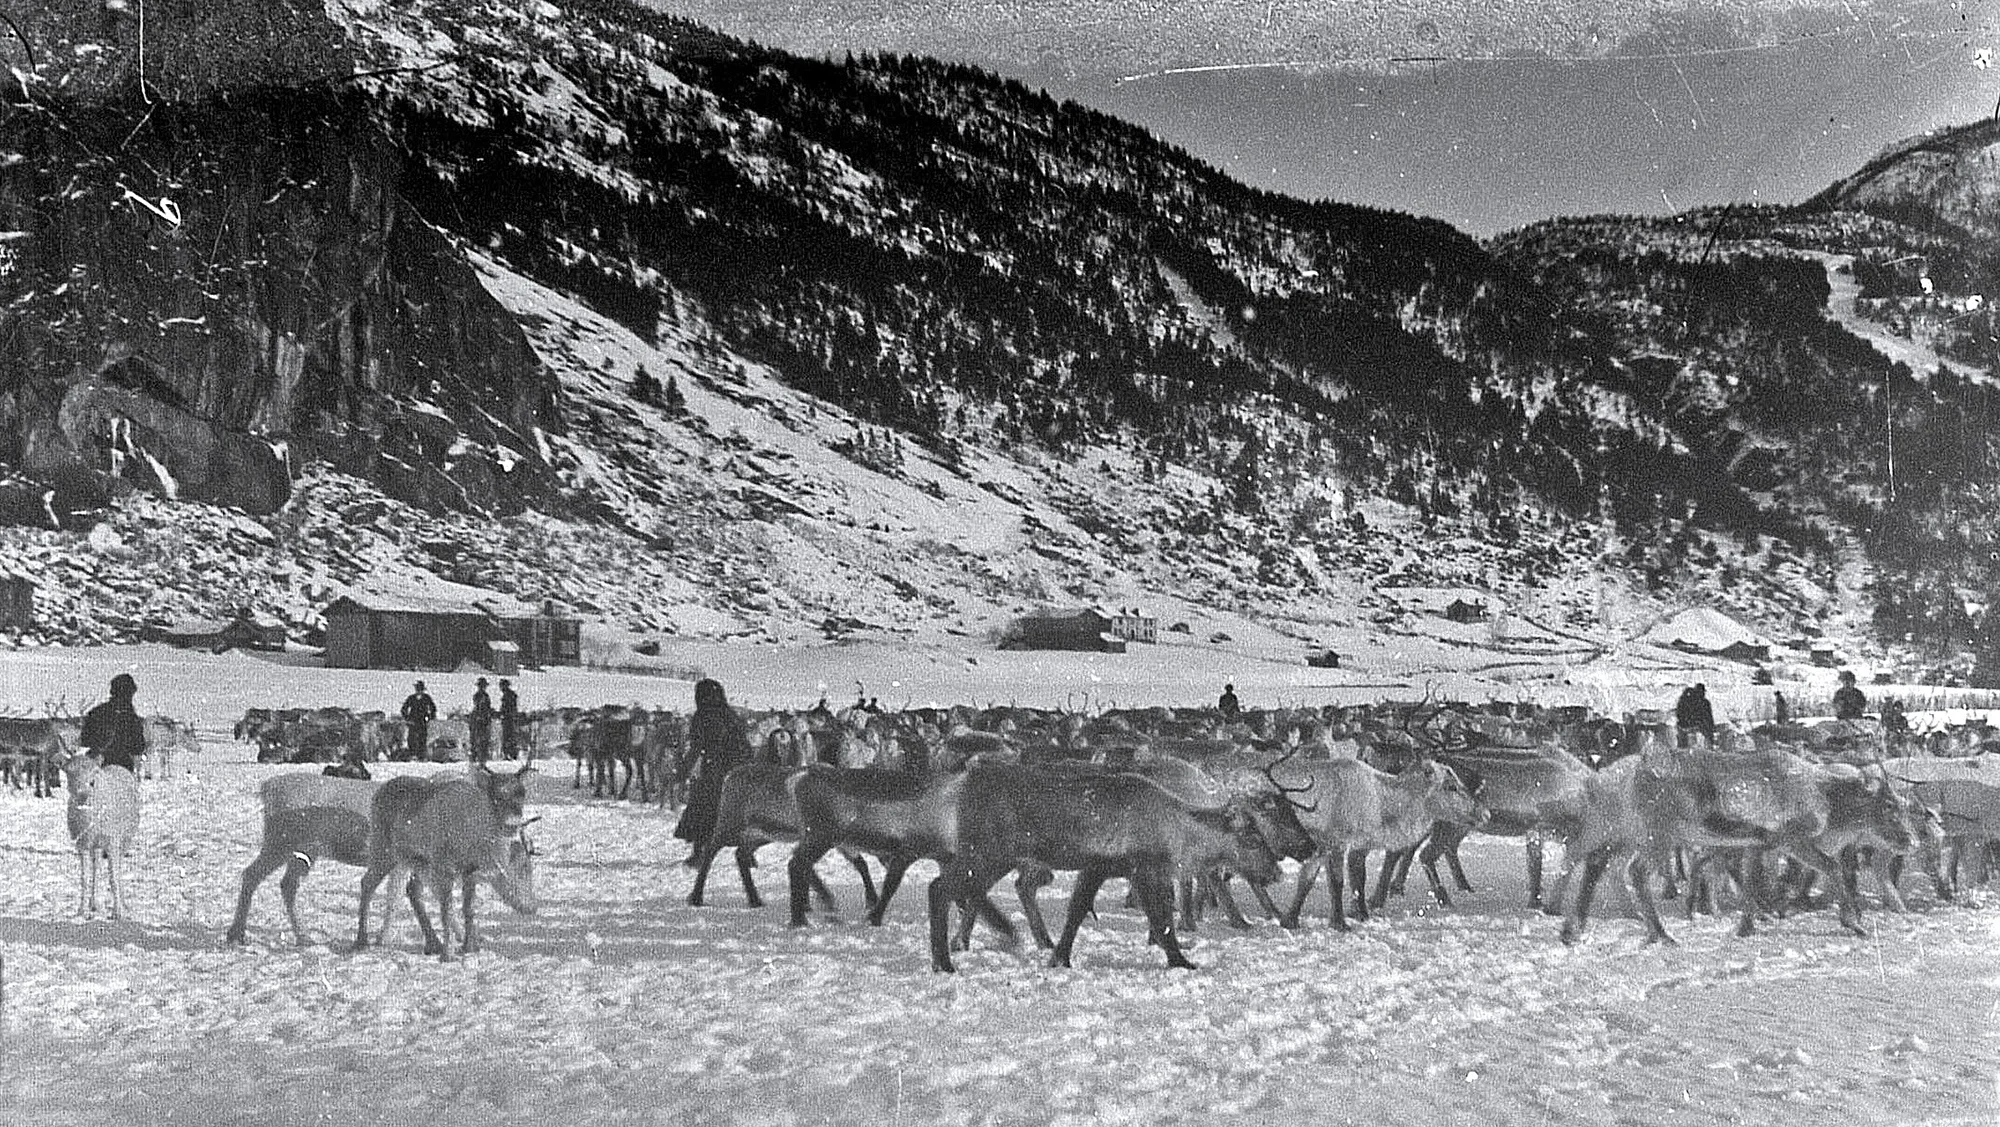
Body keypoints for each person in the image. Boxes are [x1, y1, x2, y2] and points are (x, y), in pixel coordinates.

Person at [673, 678, 754, 861]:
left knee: (703, 809)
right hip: (736, 769)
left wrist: (683, 771)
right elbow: (745, 746)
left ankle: (698, 853)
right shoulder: (730, 714)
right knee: (736, 810)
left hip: (713, 769)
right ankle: (746, 852)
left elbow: (696, 747)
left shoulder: (702, 716)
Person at [80, 673, 147, 772]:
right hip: (122, 768)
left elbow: (84, 740)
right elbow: (138, 747)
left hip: (95, 766)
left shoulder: (96, 712)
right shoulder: (132, 718)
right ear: (130, 694)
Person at [400, 680, 436, 762]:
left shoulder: (427, 698)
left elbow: (433, 709)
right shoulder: (411, 698)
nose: (419, 690)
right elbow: (404, 709)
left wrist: (430, 718)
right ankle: (412, 753)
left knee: (422, 738)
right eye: (417, 689)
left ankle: (421, 755)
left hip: (422, 721)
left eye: (420, 689)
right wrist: (407, 718)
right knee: (411, 738)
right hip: (413, 721)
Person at [1674, 682, 1716, 747]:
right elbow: (1709, 718)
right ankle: (1710, 746)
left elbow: (1678, 714)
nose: (1703, 694)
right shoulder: (1703, 702)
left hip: (1686, 726)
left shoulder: (1685, 700)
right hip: (1694, 726)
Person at [468, 677, 494, 764]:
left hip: (480, 721)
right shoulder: (481, 696)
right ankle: (477, 756)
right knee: (478, 739)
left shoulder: (482, 696)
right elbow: (481, 708)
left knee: (480, 740)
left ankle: (478, 756)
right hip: (480, 721)